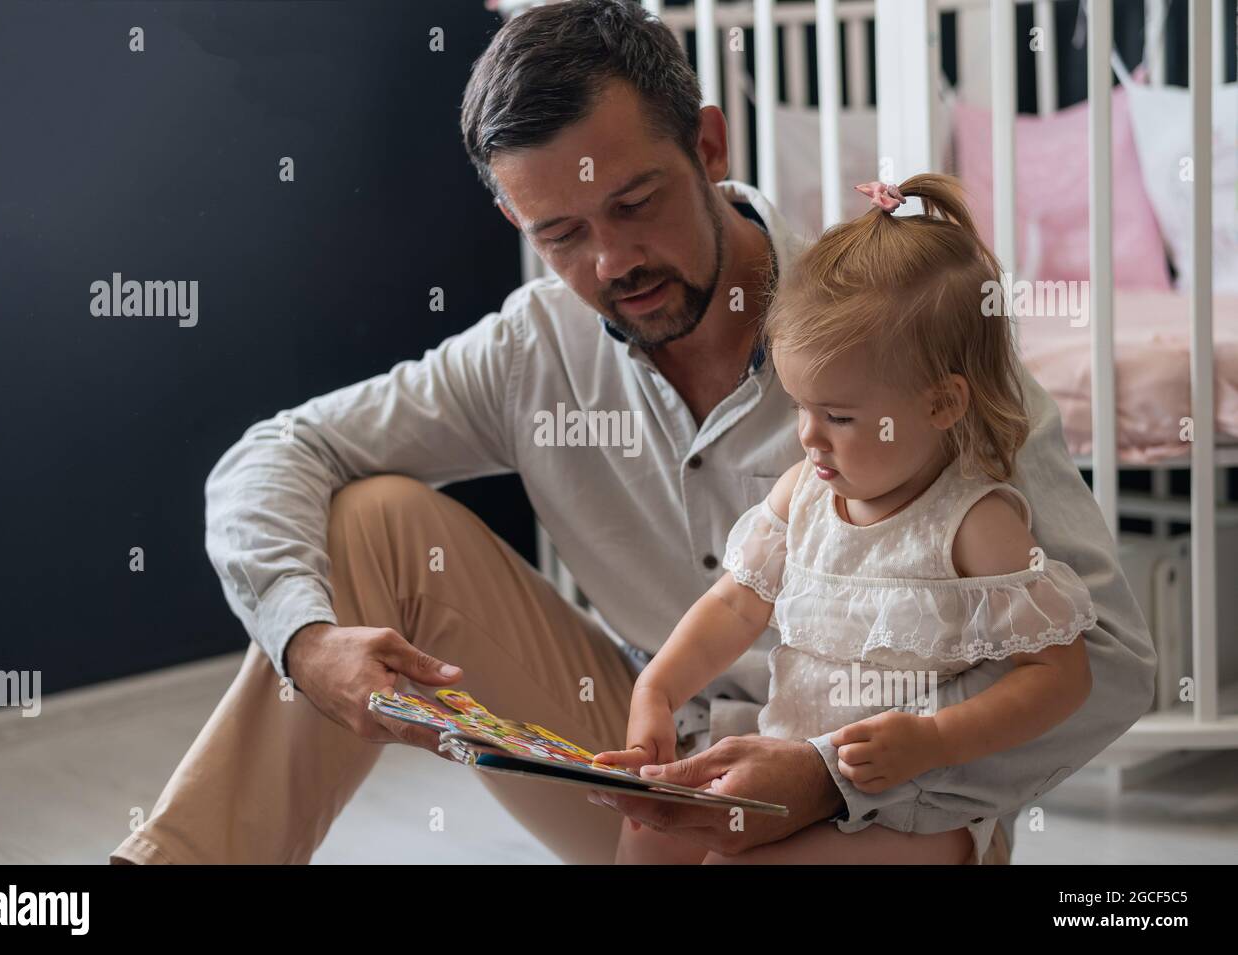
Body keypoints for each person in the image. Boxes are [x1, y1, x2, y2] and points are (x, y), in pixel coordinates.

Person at [110, 0, 1155, 866]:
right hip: (652, 764)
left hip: (887, 800)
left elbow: (1106, 661)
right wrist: (306, 641)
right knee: (369, 520)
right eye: (560, 234)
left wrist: (833, 775)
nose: (611, 263)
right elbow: (274, 452)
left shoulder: (907, 351)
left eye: (634, 202)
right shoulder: (531, 350)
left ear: (707, 143)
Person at [594, 175, 1097, 864]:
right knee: (650, 834)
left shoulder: (971, 523)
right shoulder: (804, 494)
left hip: (913, 809)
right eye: (800, 406)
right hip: (791, 770)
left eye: (838, 416)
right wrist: (657, 688)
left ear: (942, 403)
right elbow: (734, 604)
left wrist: (937, 738)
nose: (808, 435)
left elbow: (1061, 675)